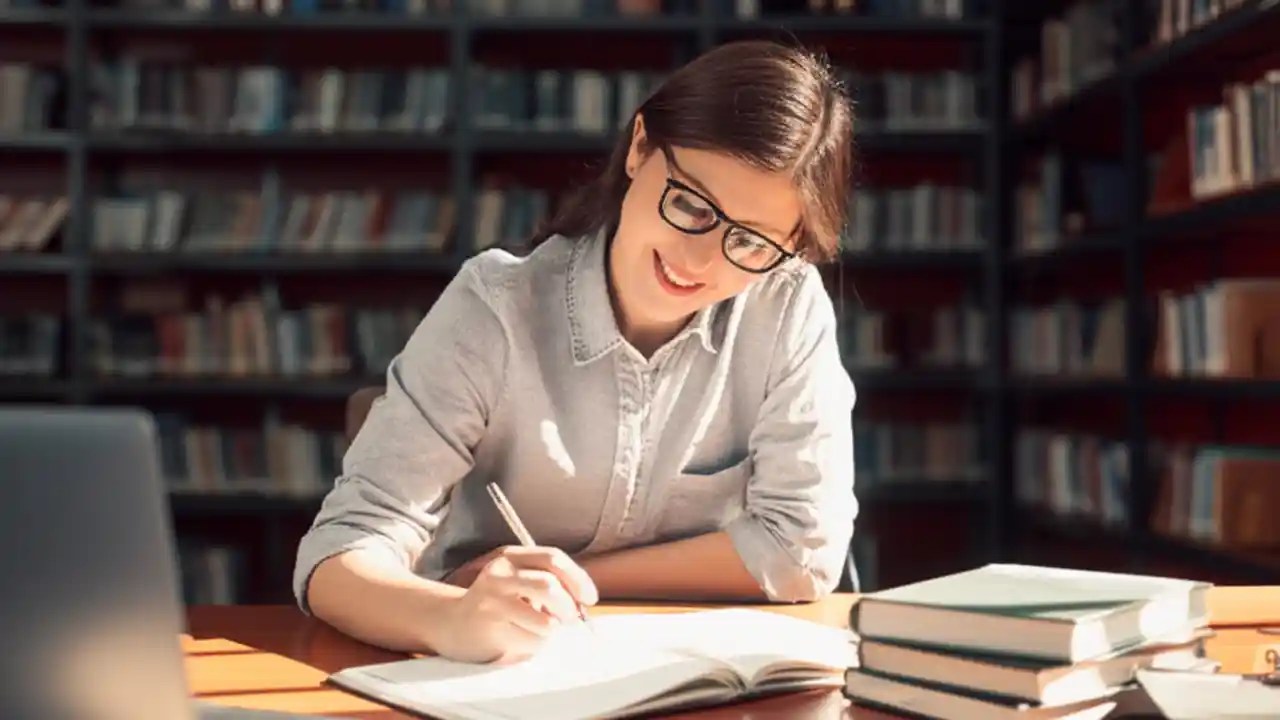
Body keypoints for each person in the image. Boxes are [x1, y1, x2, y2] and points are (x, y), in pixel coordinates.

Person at [295, 39, 859, 664]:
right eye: (693, 206)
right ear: (641, 147)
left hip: (688, 676)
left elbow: (803, 550)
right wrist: (451, 614)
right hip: (493, 672)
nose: (700, 262)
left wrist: (579, 576)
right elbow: (340, 552)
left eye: (750, 242)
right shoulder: (496, 308)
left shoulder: (785, 305)